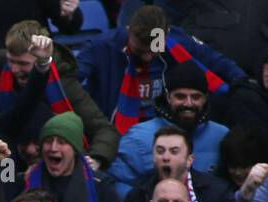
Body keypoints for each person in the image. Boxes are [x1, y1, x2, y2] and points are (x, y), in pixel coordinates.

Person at [73, 4, 244, 130]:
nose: (147, 56)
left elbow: (217, 62)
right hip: (115, 132)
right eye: (140, 50)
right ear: (129, 31)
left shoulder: (177, 41)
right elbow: (71, 77)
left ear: (166, 34)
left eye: (154, 50)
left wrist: (243, 84)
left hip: (169, 129)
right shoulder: (103, 47)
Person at [0, 22, 118, 171]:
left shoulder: (64, 86)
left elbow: (104, 130)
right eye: (11, 61)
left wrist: (96, 159)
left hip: (54, 167)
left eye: (23, 63)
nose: (14, 69)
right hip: (8, 161)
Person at [111, 59, 230, 199]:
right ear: (168, 97)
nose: (188, 103)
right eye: (180, 96)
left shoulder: (222, 135)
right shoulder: (138, 137)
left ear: (205, 99)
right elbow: (118, 183)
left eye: (196, 97)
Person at [22, 111, 119, 202]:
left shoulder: (101, 184)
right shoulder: (25, 180)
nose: (53, 148)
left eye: (62, 142)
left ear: (75, 149)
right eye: (48, 141)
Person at [122, 125, 238, 202]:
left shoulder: (217, 192)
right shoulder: (139, 195)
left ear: (189, 160)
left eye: (174, 151)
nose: (165, 157)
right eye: (160, 151)